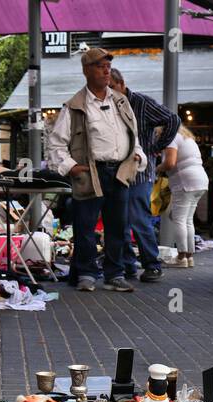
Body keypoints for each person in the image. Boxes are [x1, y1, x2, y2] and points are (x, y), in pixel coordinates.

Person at [46, 48, 147, 293]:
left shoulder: (120, 101)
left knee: (117, 227)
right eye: (100, 66)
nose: (106, 70)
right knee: (85, 226)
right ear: (86, 70)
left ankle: (114, 274)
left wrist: (137, 156)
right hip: (90, 172)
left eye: (108, 66)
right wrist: (71, 167)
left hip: (119, 171)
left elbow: (133, 135)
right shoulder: (74, 106)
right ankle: (87, 274)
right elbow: (55, 143)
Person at [109, 68, 178, 283]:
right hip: (117, 171)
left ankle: (152, 265)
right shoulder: (108, 105)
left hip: (140, 171)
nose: (109, 92)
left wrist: (157, 147)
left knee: (139, 218)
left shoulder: (141, 103)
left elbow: (173, 120)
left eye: (111, 87)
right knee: (120, 221)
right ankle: (129, 265)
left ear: (121, 84)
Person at [158, 126, 210, 268]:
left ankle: (181, 257)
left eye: (157, 132)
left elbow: (170, 163)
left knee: (179, 219)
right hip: (200, 179)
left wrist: (157, 169)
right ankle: (189, 257)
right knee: (187, 220)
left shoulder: (171, 138)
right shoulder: (187, 138)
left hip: (185, 181)